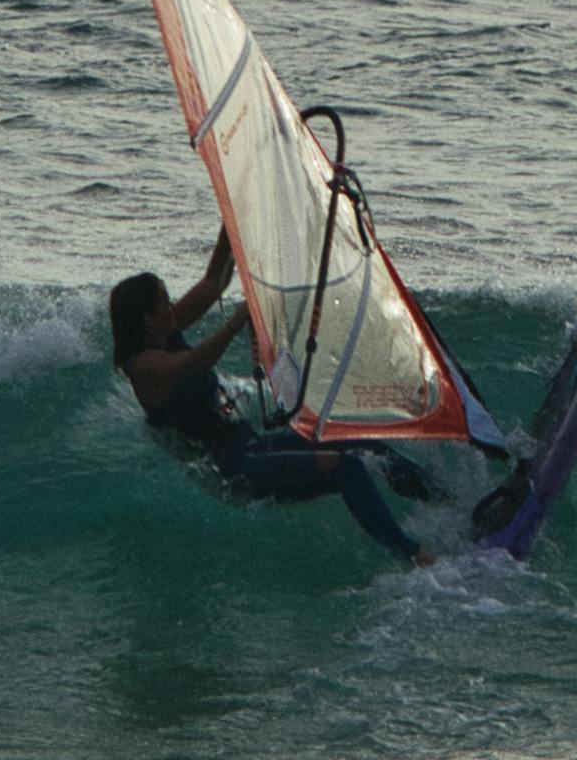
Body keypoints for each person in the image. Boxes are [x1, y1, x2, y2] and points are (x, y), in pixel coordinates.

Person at [109, 228, 431, 569]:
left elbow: (214, 282)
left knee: (361, 444)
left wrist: (232, 219)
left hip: (252, 445)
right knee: (345, 467)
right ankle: (413, 555)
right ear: (147, 318)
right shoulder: (143, 366)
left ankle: (448, 503)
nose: (172, 305)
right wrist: (236, 320)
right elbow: (194, 362)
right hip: (234, 471)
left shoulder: (165, 328)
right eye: (164, 300)